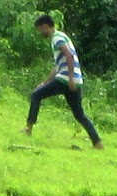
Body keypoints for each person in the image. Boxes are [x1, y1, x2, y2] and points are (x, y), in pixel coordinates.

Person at [25, 14, 104, 149]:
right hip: (74, 80)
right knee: (80, 115)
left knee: (36, 95)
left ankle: (28, 129)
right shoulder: (62, 36)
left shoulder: (57, 39)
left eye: (40, 30)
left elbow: (69, 55)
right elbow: (58, 66)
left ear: (45, 26)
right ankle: (98, 143)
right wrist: (45, 83)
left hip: (66, 79)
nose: (40, 33)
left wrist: (70, 78)